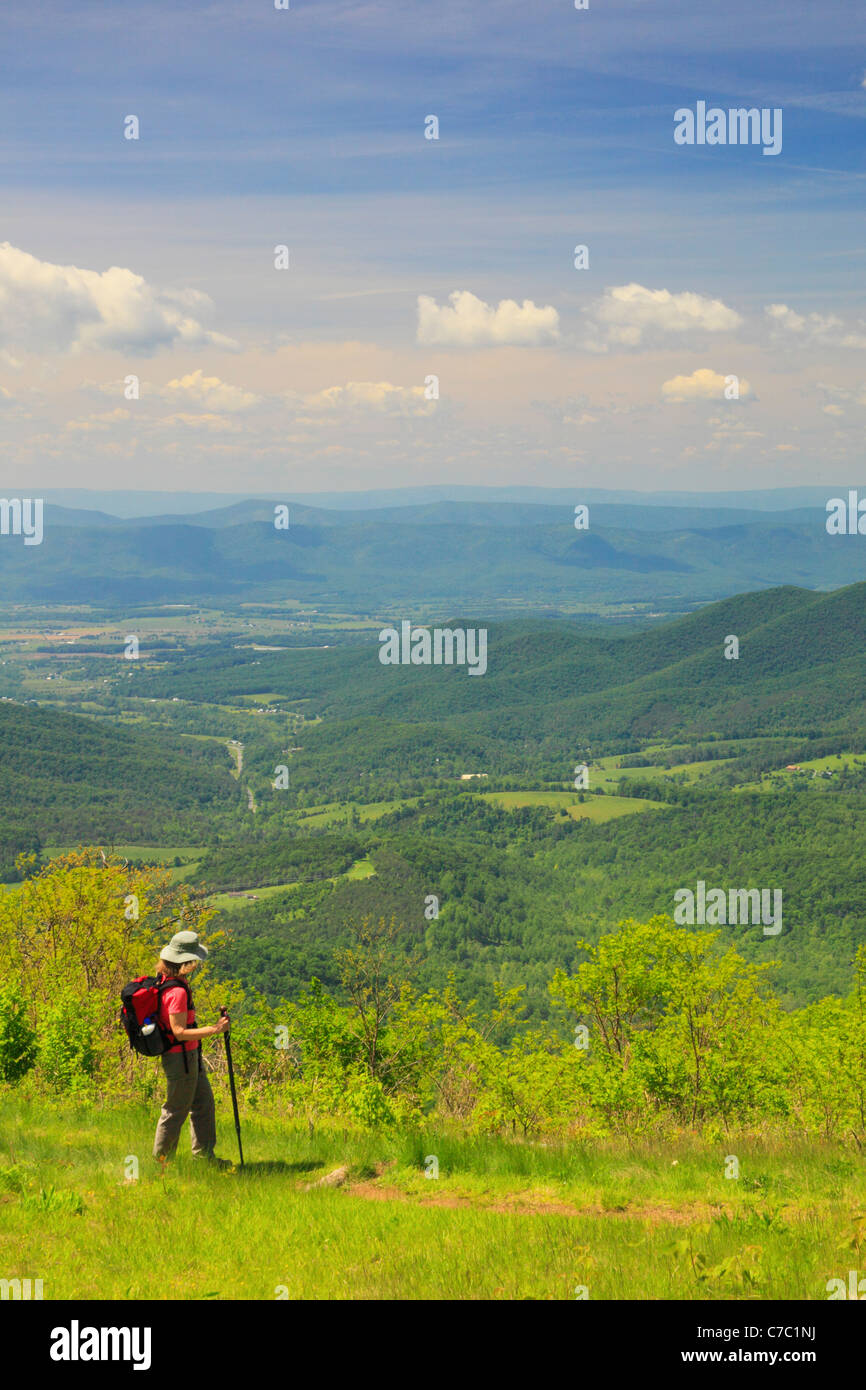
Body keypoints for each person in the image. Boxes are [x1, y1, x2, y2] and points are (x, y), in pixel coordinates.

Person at [151, 928, 231, 1167]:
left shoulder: (168, 981)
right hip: (180, 1059)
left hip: (189, 1057)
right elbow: (179, 1032)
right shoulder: (176, 991)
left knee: (203, 1105)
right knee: (175, 1111)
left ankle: (204, 1159)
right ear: (187, 962)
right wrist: (215, 1029)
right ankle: (162, 1165)